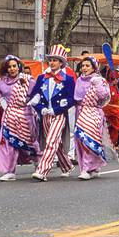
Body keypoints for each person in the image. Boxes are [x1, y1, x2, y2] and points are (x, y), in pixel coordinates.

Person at [30, 45, 76, 181]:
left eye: (55, 60)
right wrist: (40, 108)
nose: (52, 62)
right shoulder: (41, 78)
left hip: (59, 115)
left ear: (61, 63)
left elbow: (72, 99)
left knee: (51, 141)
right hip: (45, 115)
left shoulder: (68, 79)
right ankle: (67, 166)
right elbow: (34, 96)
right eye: (50, 60)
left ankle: (42, 171)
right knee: (56, 143)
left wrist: (57, 109)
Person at [0, 56, 37, 180]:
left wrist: (31, 102)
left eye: (14, 66)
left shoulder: (27, 80)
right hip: (9, 115)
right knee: (10, 142)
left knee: (30, 142)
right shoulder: (1, 81)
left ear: (19, 67)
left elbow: (36, 93)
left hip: (24, 115)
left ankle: (38, 162)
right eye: (9, 66)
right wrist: (2, 101)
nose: (12, 69)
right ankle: (10, 171)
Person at [72, 56, 112, 179]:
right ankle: (91, 167)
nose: (84, 68)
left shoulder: (99, 80)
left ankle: (87, 168)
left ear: (94, 67)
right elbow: (76, 98)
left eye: (87, 66)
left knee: (89, 140)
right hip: (80, 112)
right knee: (80, 141)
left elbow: (104, 96)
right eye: (83, 66)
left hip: (94, 112)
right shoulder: (79, 80)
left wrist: (97, 84)